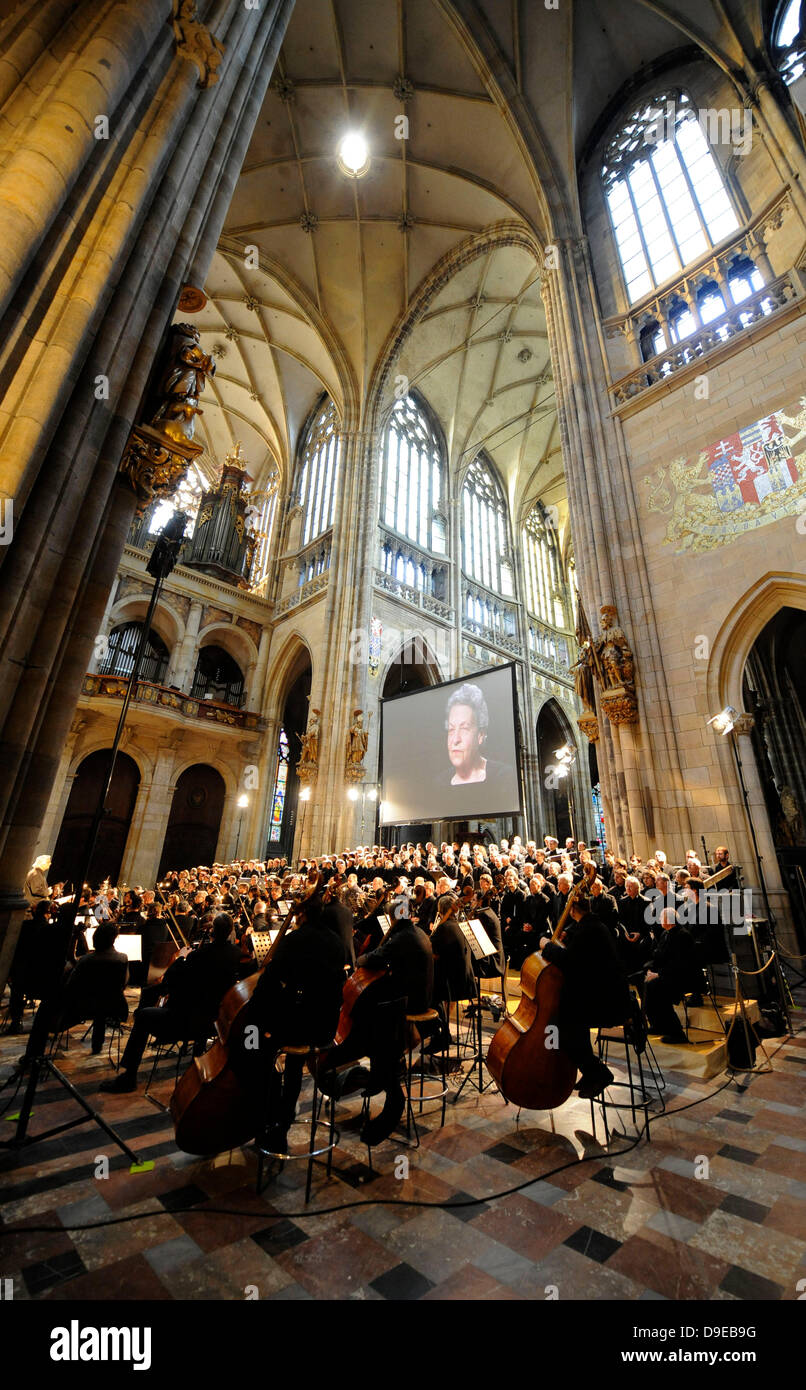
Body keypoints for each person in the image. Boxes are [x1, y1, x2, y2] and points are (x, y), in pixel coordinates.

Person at [101, 913, 242, 1093]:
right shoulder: (236, 955)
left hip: (184, 1022)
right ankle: (195, 1057)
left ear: (212, 930)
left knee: (143, 1015)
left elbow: (169, 982)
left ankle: (129, 1077)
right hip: (213, 1024)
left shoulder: (198, 956)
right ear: (230, 931)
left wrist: (181, 957)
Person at [538, 887, 630, 1099]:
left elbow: (569, 961)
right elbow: (579, 953)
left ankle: (598, 1072)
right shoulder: (593, 925)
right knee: (572, 1021)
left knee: (564, 1026)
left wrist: (547, 946)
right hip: (604, 993)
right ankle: (589, 1071)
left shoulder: (588, 930)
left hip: (606, 1000)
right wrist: (567, 935)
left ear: (571, 911)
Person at [57, 922, 129, 1053]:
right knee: (102, 1004)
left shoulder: (86, 960)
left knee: (97, 1004)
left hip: (84, 1007)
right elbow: (123, 984)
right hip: (115, 1006)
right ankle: (97, 1045)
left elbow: (71, 985)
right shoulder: (123, 958)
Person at [643, 907, 704, 1044]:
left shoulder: (682, 936)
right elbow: (658, 956)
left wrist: (658, 974)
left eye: (661, 917)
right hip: (668, 973)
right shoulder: (666, 934)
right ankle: (657, 1024)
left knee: (657, 989)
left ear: (669, 920)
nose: (659, 920)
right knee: (646, 984)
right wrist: (650, 970)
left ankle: (676, 1033)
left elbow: (680, 963)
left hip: (682, 977)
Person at [443, 683, 511, 790]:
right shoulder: (439, 783)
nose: (455, 740)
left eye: (464, 728)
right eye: (451, 729)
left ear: (480, 736)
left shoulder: (503, 777)